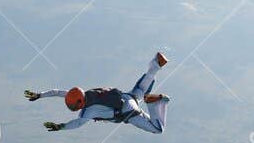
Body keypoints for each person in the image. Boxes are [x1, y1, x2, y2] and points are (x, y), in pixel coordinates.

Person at [26, 51, 172, 134]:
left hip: (128, 112)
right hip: (128, 98)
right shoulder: (84, 94)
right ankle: (155, 65)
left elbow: (76, 124)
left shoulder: (88, 111)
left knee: (157, 129)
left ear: (79, 104)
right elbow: (57, 92)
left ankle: (157, 102)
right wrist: (39, 95)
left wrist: (60, 126)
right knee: (140, 89)